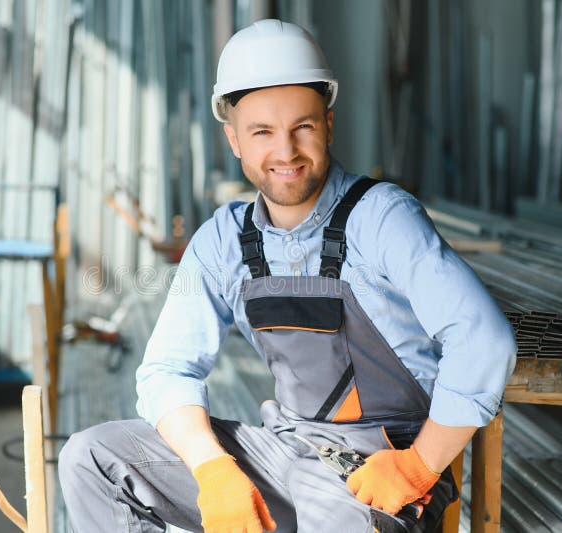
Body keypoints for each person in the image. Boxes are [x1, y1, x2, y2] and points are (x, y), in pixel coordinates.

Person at [59, 19, 517, 533]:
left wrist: (419, 465)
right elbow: (166, 370)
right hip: (287, 451)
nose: (286, 151)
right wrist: (213, 471)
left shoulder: (383, 218)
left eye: (303, 126)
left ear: (328, 124)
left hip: (375, 474)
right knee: (92, 458)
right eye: (261, 132)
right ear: (233, 138)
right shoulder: (224, 240)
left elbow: (483, 341)